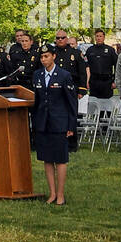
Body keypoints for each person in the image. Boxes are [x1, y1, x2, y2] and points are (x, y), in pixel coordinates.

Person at [32, 43, 78, 205]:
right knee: (47, 158)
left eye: (47, 56)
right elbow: (36, 101)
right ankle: (51, 193)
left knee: (60, 159)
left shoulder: (64, 75)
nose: (44, 60)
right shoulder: (37, 75)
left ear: (54, 57)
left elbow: (71, 102)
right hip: (42, 122)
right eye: (42, 57)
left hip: (59, 122)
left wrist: (71, 126)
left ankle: (60, 194)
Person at [84, 28, 117, 101]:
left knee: (107, 105)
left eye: (100, 36)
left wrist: (115, 81)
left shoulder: (110, 50)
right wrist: (86, 81)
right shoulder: (90, 50)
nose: (98, 38)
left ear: (104, 37)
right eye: (97, 36)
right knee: (94, 104)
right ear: (95, 37)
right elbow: (86, 66)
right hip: (94, 82)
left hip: (107, 82)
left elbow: (117, 66)